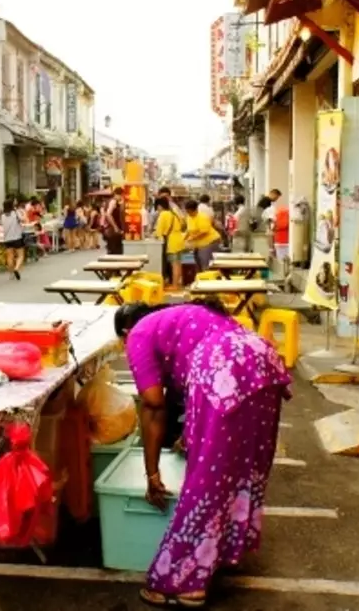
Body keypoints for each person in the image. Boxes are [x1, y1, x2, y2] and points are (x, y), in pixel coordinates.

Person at [114, 302, 291, 607]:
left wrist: (152, 474)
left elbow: (154, 404)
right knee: (244, 466)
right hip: (262, 356)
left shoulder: (139, 333)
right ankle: (216, 556)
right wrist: (190, 432)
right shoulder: (181, 321)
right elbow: (183, 393)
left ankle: (182, 582)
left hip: (223, 365)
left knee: (206, 480)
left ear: (126, 332)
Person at [153, 196, 186, 290]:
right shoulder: (174, 213)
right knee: (178, 264)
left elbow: (159, 231)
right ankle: (177, 284)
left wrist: (154, 235)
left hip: (172, 242)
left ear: (159, 206)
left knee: (174, 264)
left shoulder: (163, 214)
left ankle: (174, 286)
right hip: (179, 240)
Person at [183, 199, 222, 271]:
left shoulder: (202, 217)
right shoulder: (189, 217)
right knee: (198, 262)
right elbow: (189, 230)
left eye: (190, 211)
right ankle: (200, 278)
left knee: (205, 263)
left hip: (210, 242)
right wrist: (184, 238)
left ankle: (208, 278)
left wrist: (193, 238)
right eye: (187, 211)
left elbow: (204, 232)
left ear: (195, 210)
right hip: (199, 244)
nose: (188, 213)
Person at [0, 198, 25, 280]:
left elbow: (1, 224)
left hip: (7, 238)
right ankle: (16, 268)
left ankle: (11, 274)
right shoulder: (15, 212)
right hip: (17, 237)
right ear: (12, 205)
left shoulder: (2, 215)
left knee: (9, 256)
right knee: (20, 255)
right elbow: (22, 220)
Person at [103, 187, 125, 255]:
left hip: (114, 230)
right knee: (115, 251)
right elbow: (108, 214)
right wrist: (115, 226)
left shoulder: (114, 202)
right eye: (120, 195)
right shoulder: (113, 201)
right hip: (113, 231)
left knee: (115, 250)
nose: (121, 197)